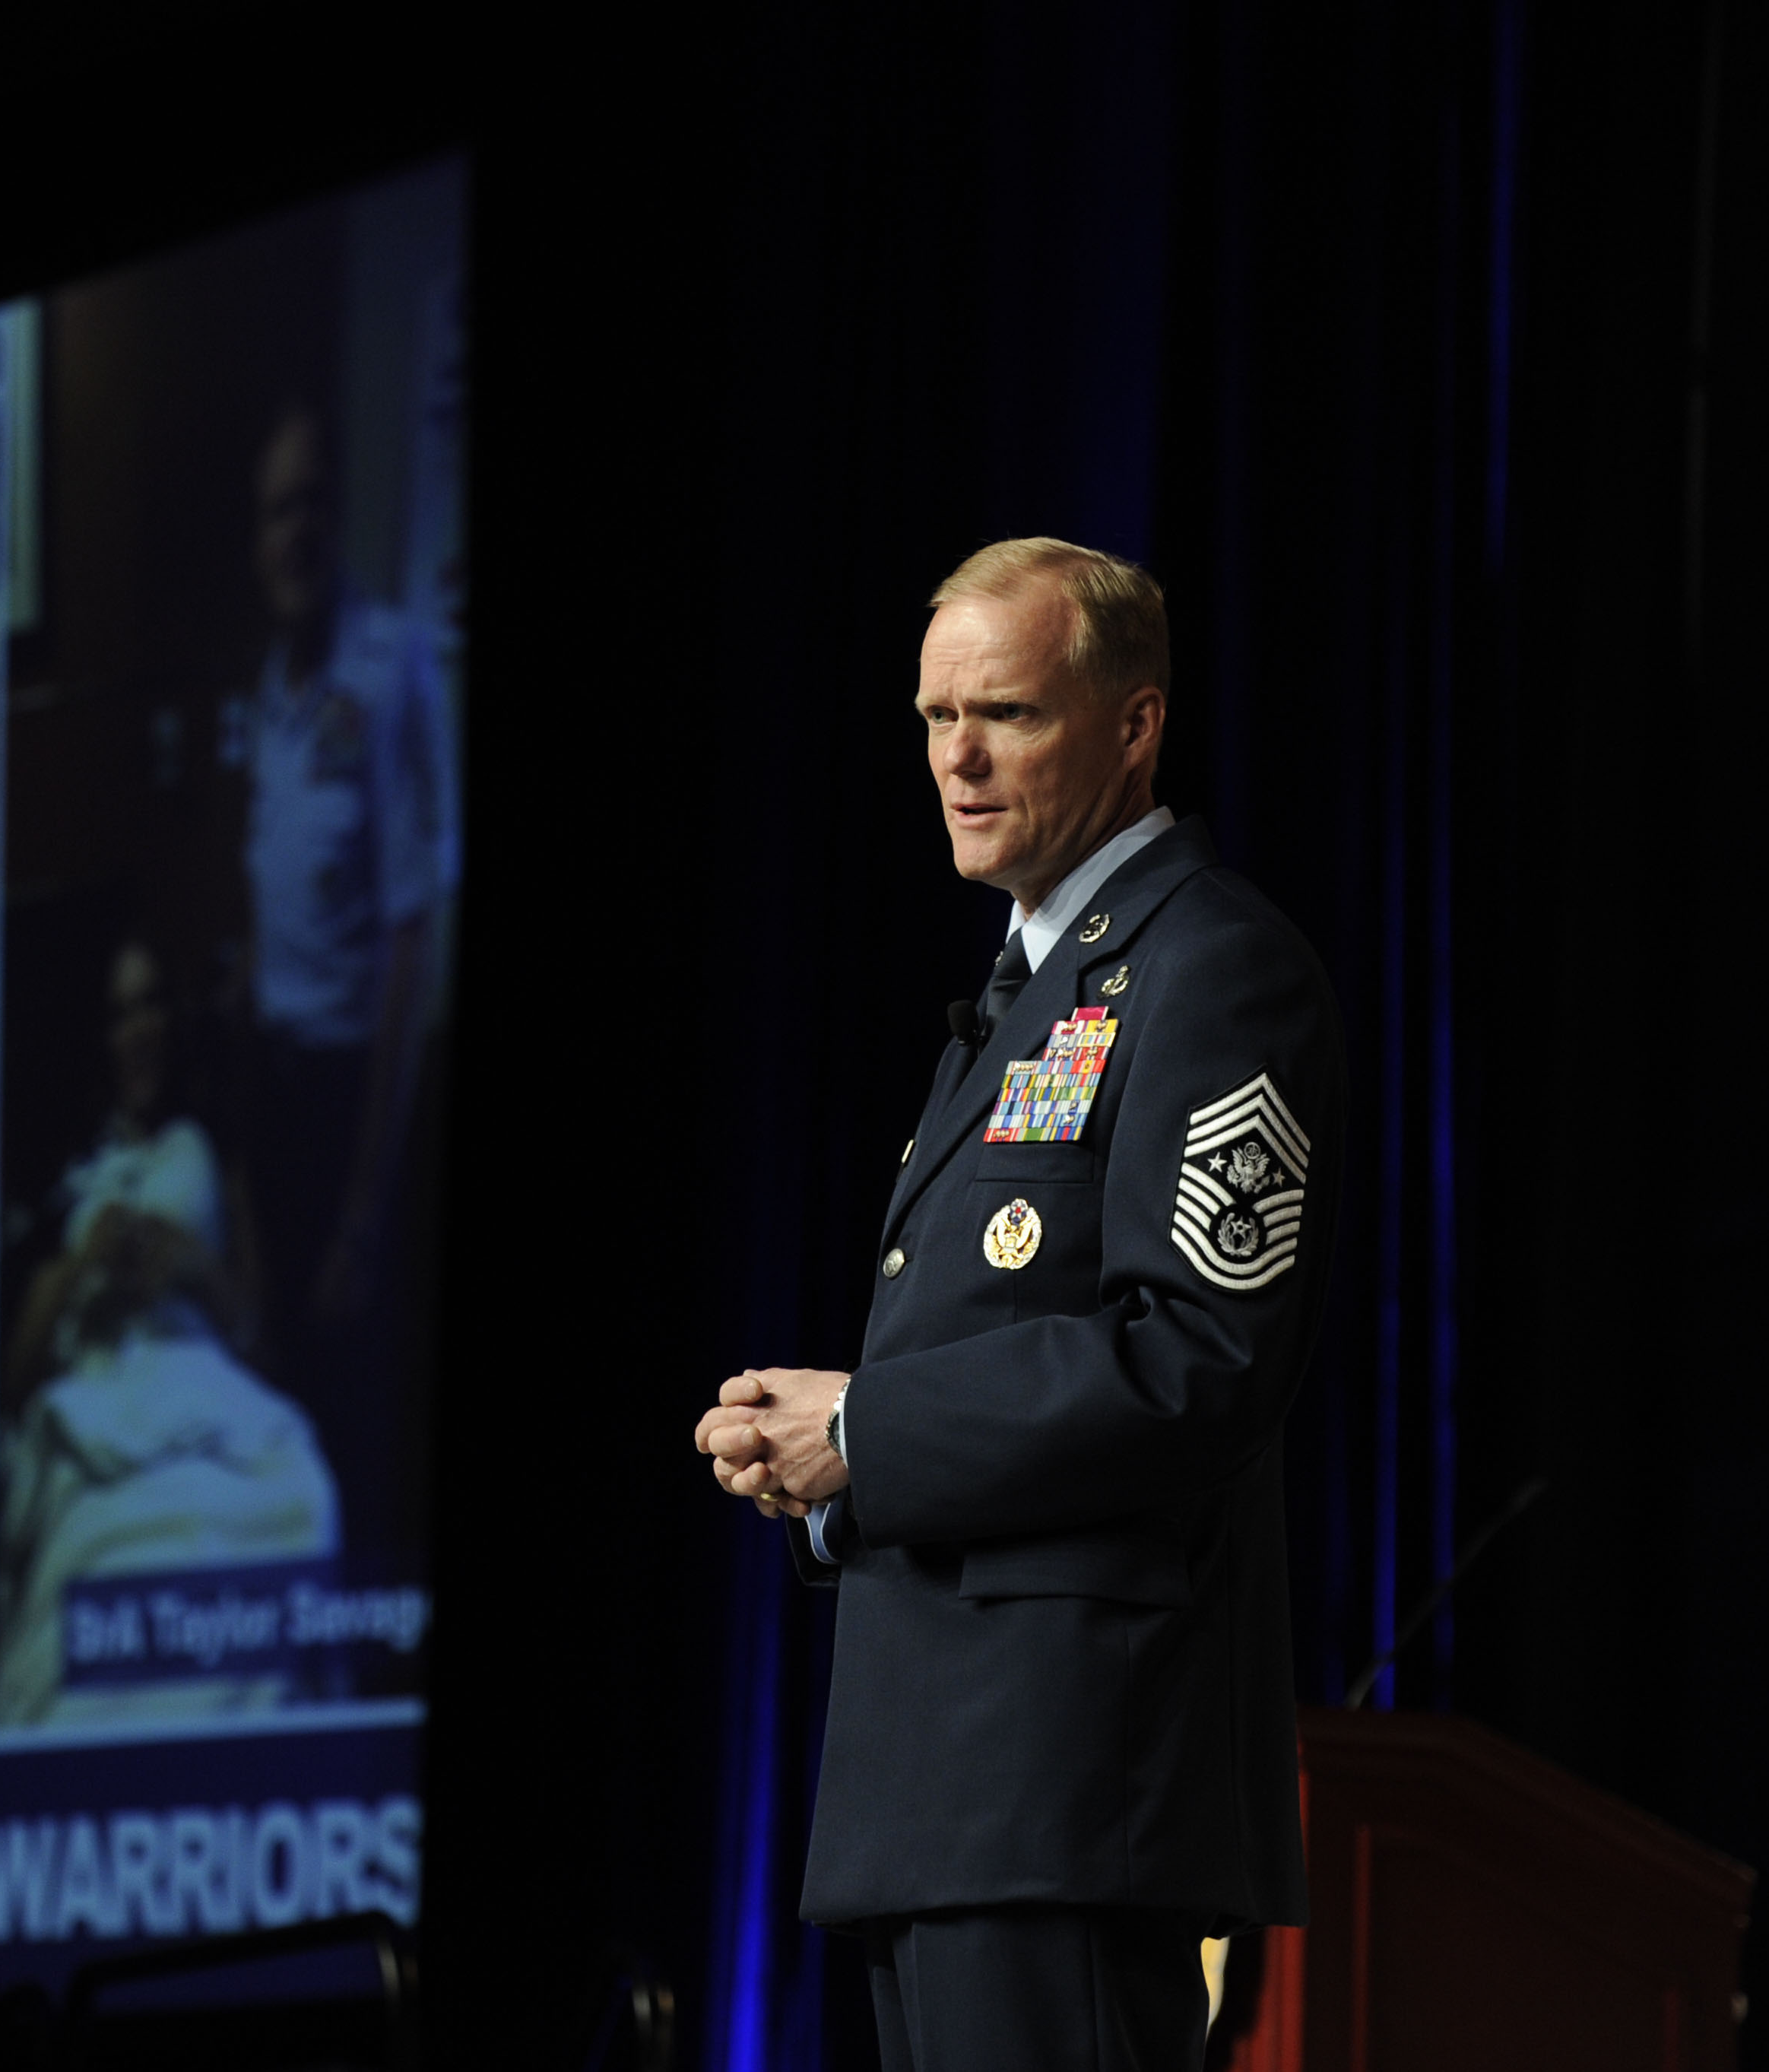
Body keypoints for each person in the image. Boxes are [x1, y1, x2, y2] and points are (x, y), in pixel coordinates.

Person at [695, 539, 1343, 2072]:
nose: (959, 761)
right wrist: (826, 1482)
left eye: (1009, 715)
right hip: (946, 1799)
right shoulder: (1031, 993)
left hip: (1068, 1794)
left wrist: (862, 1427)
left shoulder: (1209, 969)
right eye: (933, 720)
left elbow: (1195, 1360)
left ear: (1132, 726)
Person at [0, 939, 338, 1727]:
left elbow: (261, 1339)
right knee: (107, 1544)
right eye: (120, 1014)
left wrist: (192, 1267)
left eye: (150, 1003)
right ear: (101, 1039)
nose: (138, 1028)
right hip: (101, 1397)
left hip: (207, 1381)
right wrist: (84, 1264)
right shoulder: (67, 1178)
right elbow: (16, 1379)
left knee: (304, 1494)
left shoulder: (212, 1147)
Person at [233, 401, 455, 1573]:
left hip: (348, 1106)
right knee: (285, 1396)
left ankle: (362, 1662)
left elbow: (409, 942)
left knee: (358, 1412)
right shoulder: (270, 682)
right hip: (272, 1096)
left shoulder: (394, 663)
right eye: (276, 510)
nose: (296, 530)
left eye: (313, 502)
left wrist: (365, 1207)